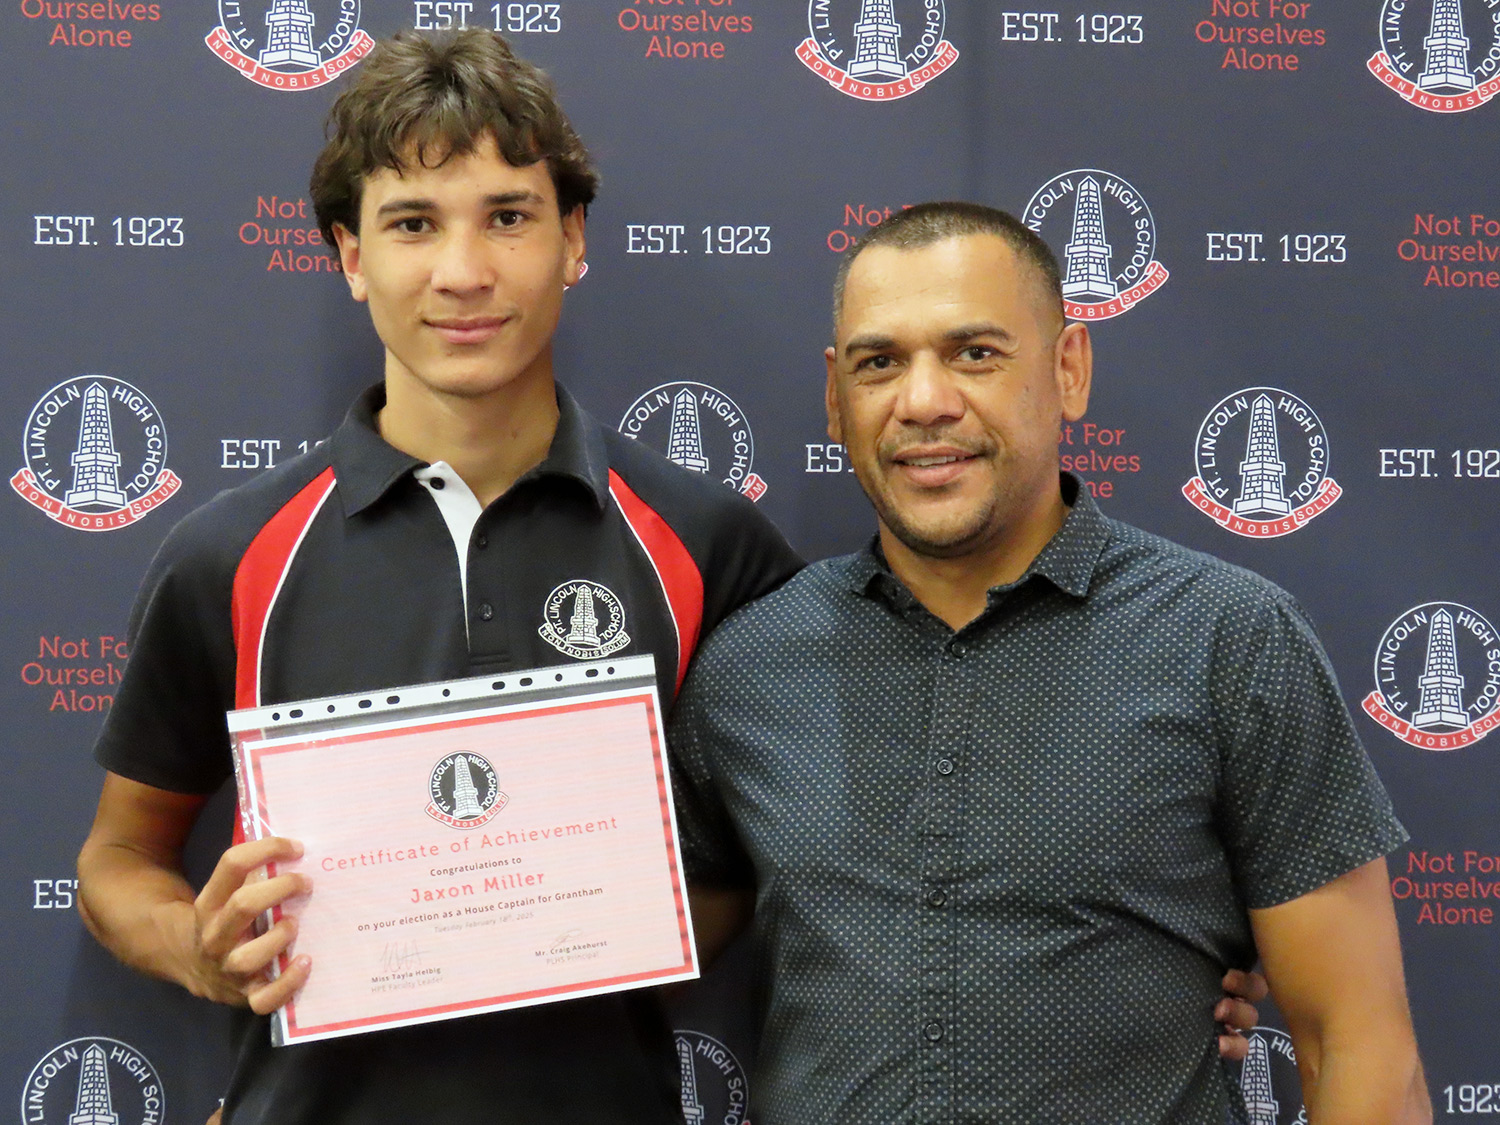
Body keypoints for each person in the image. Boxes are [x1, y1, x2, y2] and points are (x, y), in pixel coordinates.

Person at [73, 29, 803, 1124]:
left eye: (507, 216)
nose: (464, 272)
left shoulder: (706, 545)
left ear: (573, 238)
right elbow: (117, 860)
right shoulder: (233, 553)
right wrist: (198, 948)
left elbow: (787, 860)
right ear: (352, 256)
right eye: (413, 223)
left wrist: (606, 916)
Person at [668, 202, 1431, 1123]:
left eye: (975, 354)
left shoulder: (1230, 639)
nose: (923, 402)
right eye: (880, 362)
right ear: (836, 399)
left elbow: (1358, 1044)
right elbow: (632, 943)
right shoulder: (750, 664)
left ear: (1069, 369)